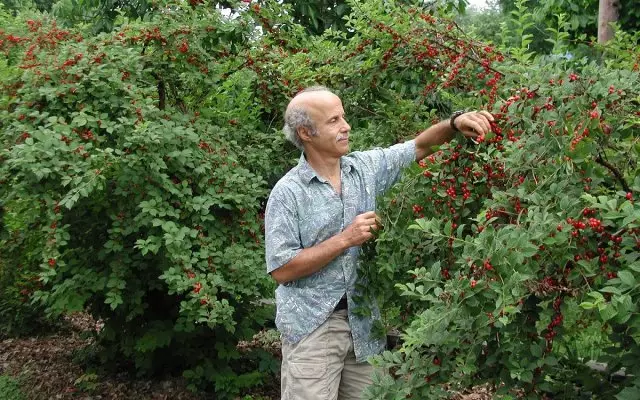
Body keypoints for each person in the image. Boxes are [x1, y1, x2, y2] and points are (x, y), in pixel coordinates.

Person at [265, 86, 494, 400]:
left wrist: (454, 124)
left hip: (363, 324)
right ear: (306, 132)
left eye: (343, 116)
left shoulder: (363, 169)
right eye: (333, 121)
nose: (346, 126)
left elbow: (418, 147)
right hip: (313, 329)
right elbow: (281, 269)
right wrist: (346, 239)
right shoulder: (288, 193)